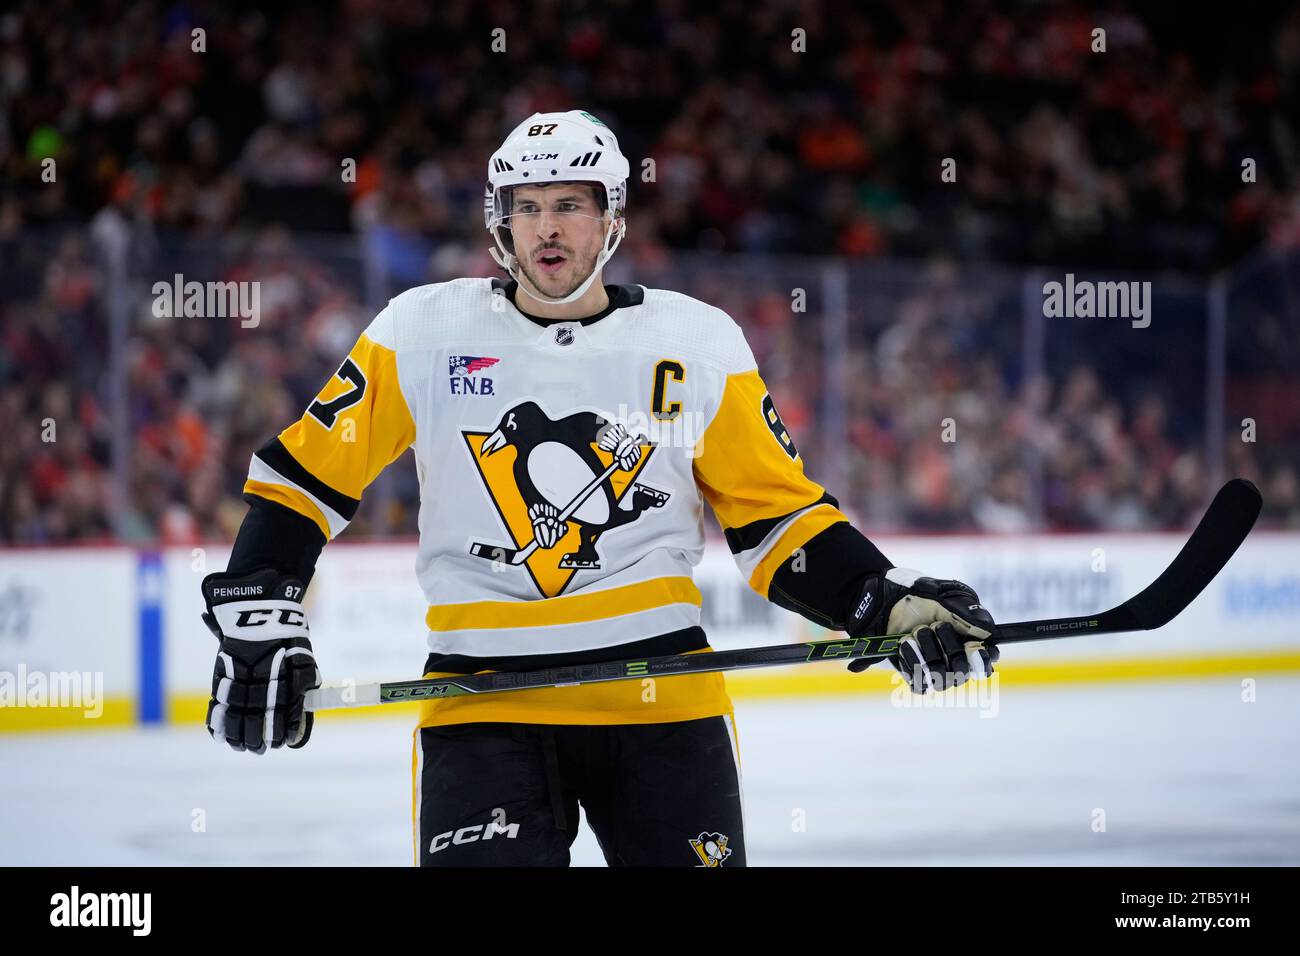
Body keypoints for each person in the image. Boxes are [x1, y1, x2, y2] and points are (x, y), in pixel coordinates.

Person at [199, 110, 999, 867]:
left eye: (571, 205)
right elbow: (304, 481)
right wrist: (261, 612)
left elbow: (777, 518)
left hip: (665, 703)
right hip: (481, 706)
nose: (548, 227)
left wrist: (879, 600)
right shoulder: (421, 332)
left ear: (612, 217)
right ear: (500, 220)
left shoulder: (696, 341)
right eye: (528, 206)